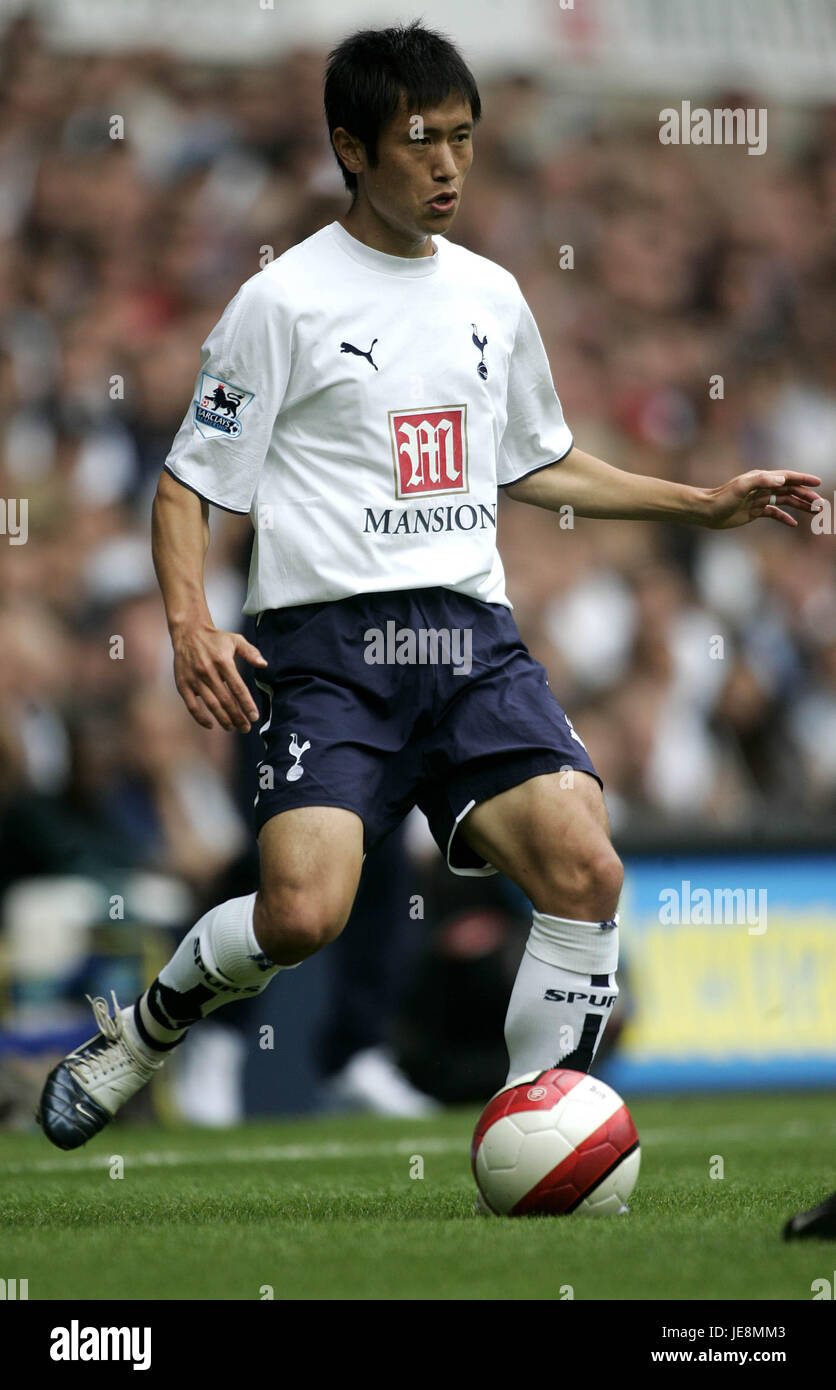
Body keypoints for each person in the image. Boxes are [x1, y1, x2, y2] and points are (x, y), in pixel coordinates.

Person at [38, 21, 821, 1151]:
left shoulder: (493, 296)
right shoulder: (281, 302)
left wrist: (699, 502)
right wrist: (187, 625)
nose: (449, 163)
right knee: (303, 913)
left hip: (466, 642)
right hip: (322, 654)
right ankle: (150, 1028)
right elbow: (185, 485)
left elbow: (536, 460)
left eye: (462, 137)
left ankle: (536, 1130)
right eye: (421, 140)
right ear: (353, 149)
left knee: (584, 863)